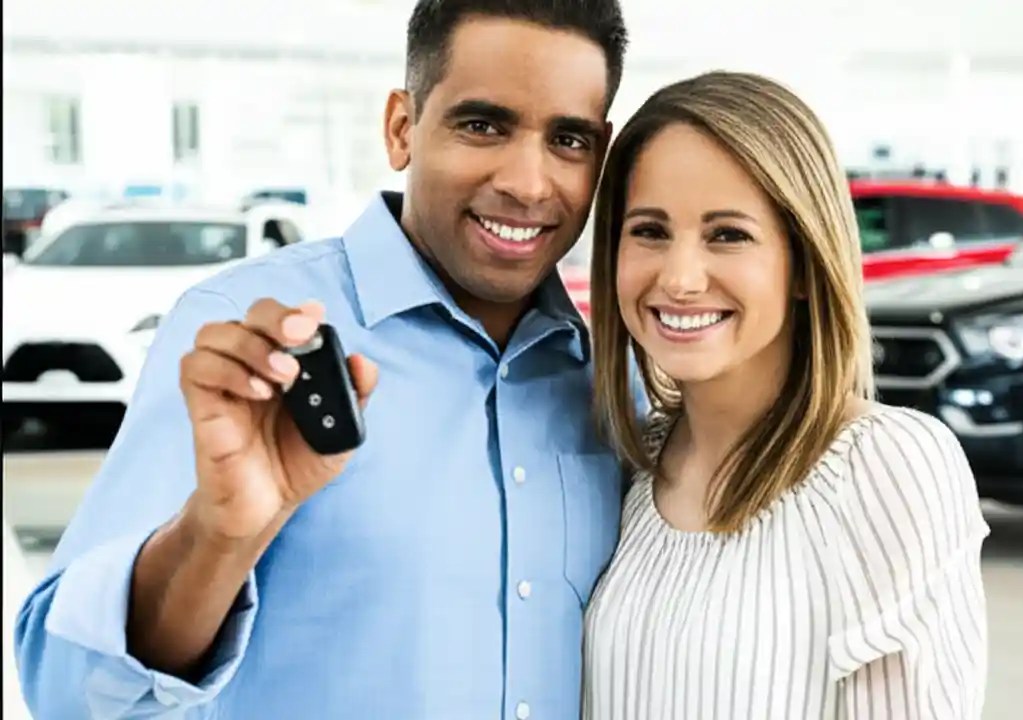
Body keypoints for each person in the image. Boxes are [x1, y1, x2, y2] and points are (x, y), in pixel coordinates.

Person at [14, 1, 629, 717]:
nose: (528, 182)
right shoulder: (248, 338)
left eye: (569, 139)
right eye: (482, 125)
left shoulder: (616, 380)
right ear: (402, 127)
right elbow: (65, 692)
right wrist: (217, 539)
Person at [581, 71, 990, 719]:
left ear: (804, 263)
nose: (680, 278)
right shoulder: (629, 469)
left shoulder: (886, 467)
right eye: (650, 230)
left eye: (728, 234)